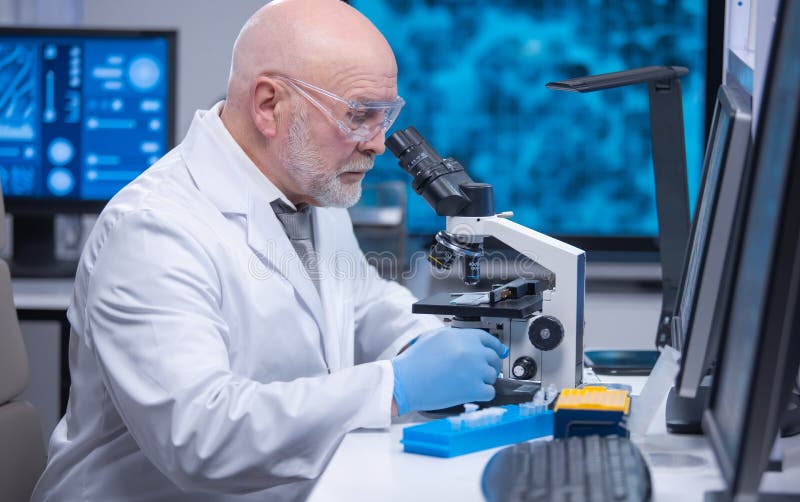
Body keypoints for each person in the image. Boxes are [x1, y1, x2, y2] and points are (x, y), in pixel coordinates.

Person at [31, 1, 507, 500]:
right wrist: (395, 386)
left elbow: (365, 308)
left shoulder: (310, 192)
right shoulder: (152, 230)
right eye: (359, 115)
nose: (377, 143)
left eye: (384, 117)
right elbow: (200, 436)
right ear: (268, 106)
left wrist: (428, 342)